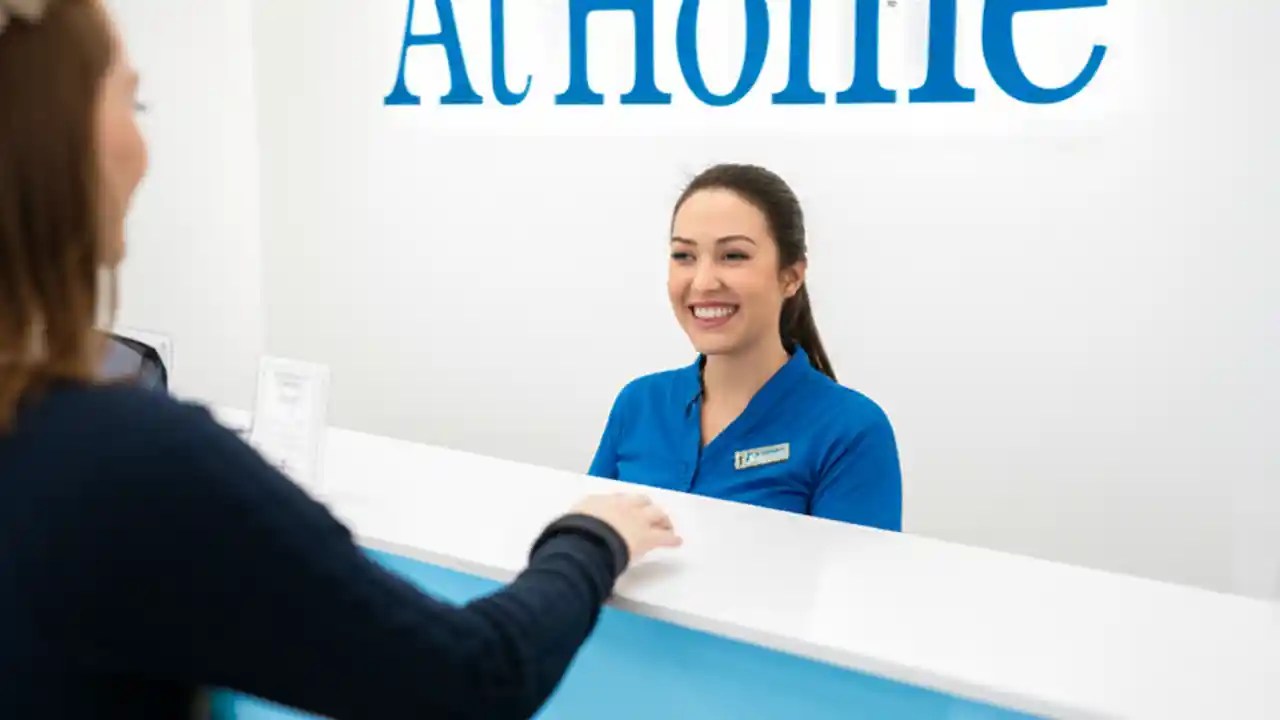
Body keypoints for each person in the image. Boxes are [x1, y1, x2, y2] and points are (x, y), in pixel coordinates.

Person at [0, 1, 681, 718]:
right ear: (57, 141)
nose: (143, 147)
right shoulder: (123, 461)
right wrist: (590, 538)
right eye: (130, 101)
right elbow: (471, 678)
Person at [588, 163, 903, 531]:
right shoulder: (639, 404)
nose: (703, 282)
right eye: (684, 256)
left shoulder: (850, 431)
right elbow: (584, 551)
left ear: (791, 277)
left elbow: (855, 586)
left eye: (733, 255)